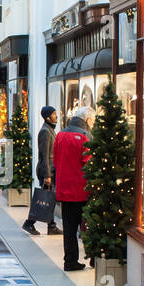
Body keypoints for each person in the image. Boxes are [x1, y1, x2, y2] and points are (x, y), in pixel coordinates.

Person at [52, 106, 93, 272]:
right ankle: (94, 259)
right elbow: (89, 164)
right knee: (88, 226)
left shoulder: (60, 135)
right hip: (82, 190)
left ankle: (70, 261)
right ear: (88, 120)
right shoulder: (85, 137)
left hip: (64, 190)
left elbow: (55, 160)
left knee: (69, 228)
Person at [23, 105, 62, 236]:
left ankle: (51, 226)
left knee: (49, 198)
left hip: (49, 170)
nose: (56, 116)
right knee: (44, 198)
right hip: (47, 171)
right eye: (54, 114)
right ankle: (29, 223)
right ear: (47, 117)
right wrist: (47, 175)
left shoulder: (50, 129)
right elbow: (44, 155)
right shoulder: (45, 131)